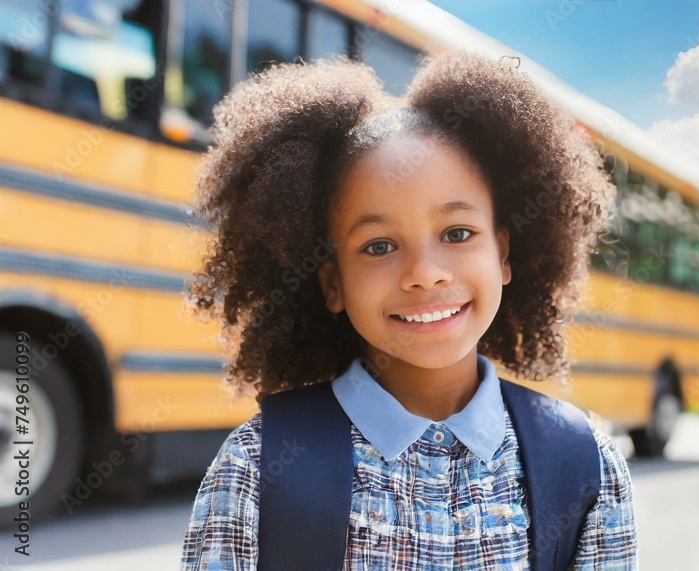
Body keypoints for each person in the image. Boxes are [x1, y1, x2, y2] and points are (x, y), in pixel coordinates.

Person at [180, 49, 637, 570]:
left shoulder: (583, 466)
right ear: (333, 283)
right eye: (378, 246)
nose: (425, 271)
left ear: (503, 254)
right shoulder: (258, 469)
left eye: (457, 233)